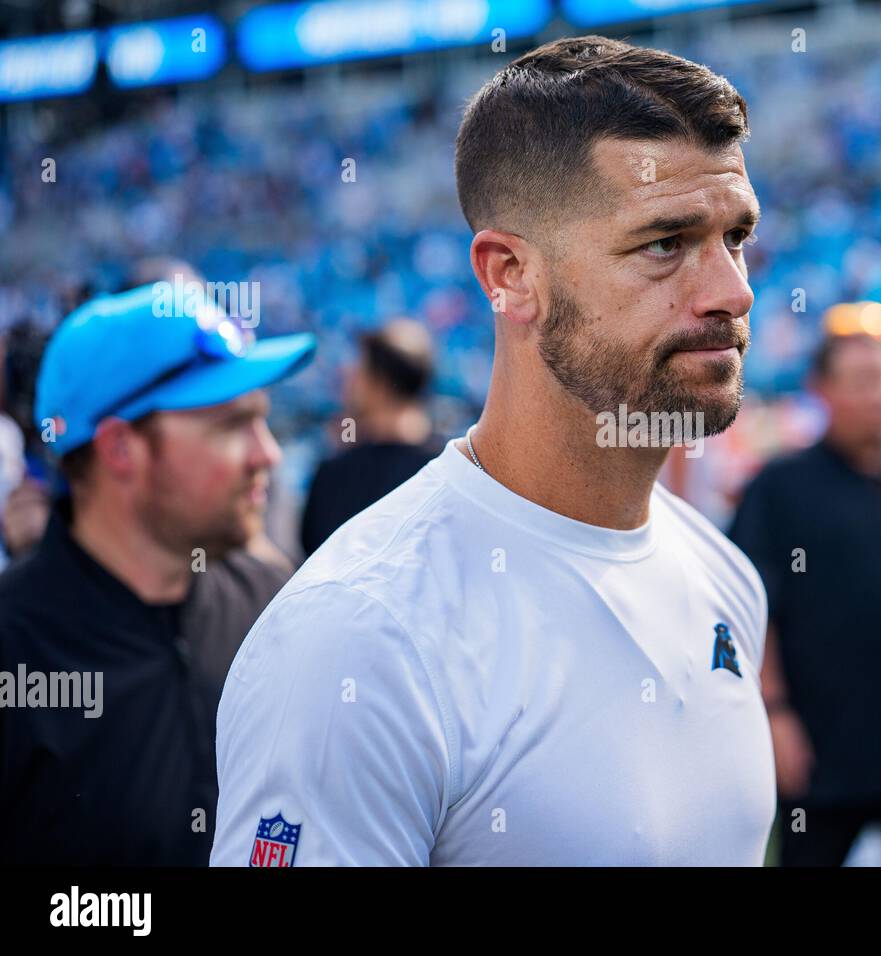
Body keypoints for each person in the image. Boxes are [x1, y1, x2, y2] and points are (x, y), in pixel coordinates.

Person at [211, 35, 773, 867]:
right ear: (509, 274)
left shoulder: (722, 573)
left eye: (736, 237)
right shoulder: (359, 641)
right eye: (665, 243)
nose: (734, 290)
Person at [0, 284, 316, 865]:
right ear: (122, 449)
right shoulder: (15, 648)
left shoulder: (275, 605)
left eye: (263, 421)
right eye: (230, 424)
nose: (267, 454)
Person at [729, 330, 881, 866]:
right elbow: (752, 612)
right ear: (822, 389)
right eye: (863, 380)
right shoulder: (781, 486)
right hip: (828, 748)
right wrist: (773, 715)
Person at [299, 318, 440, 556]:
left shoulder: (335, 476)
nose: (350, 382)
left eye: (359, 372)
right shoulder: (448, 466)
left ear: (380, 384)